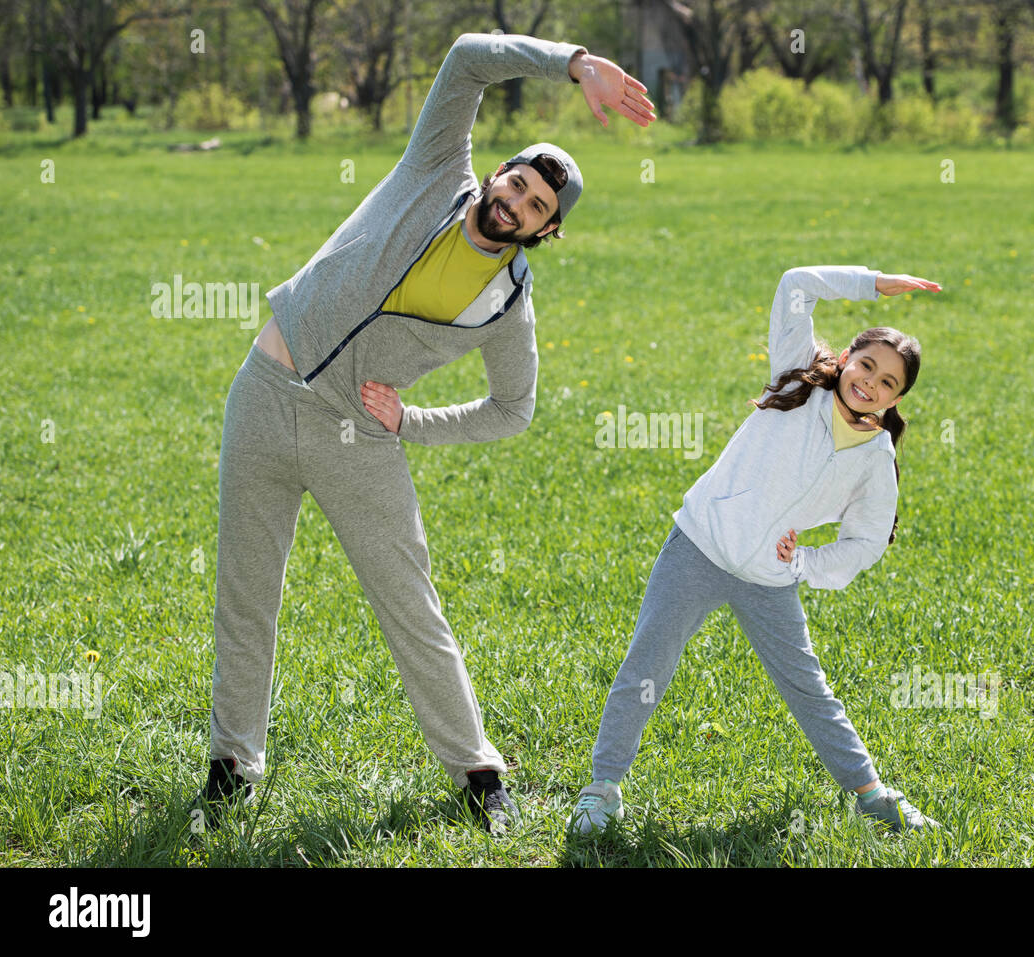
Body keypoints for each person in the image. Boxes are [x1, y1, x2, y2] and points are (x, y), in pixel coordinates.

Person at [197, 32, 656, 835]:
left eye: (537, 208)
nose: (515, 202)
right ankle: (231, 768)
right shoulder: (437, 166)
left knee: (410, 603)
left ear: (547, 231)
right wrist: (574, 63)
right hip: (264, 397)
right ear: (496, 172)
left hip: (357, 436)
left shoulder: (507, 305)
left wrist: (413, 422)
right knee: (245, 593)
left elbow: (513, 409)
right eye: (516, 182)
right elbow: (468, 57)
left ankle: (480, 774)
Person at [568, 264, 943, 836]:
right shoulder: (796, 377)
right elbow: (796, 284)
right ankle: (602, 789)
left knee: (808, 688)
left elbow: (866, 542)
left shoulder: (875, 459)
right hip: (698, 546)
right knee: (647, 665)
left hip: (769, 578)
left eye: (888, 381)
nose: (871, 382)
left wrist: (805, 563)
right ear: (845, 358)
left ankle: (873, 796)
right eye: (866, 365)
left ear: (896, 399)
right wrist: (872, 283)